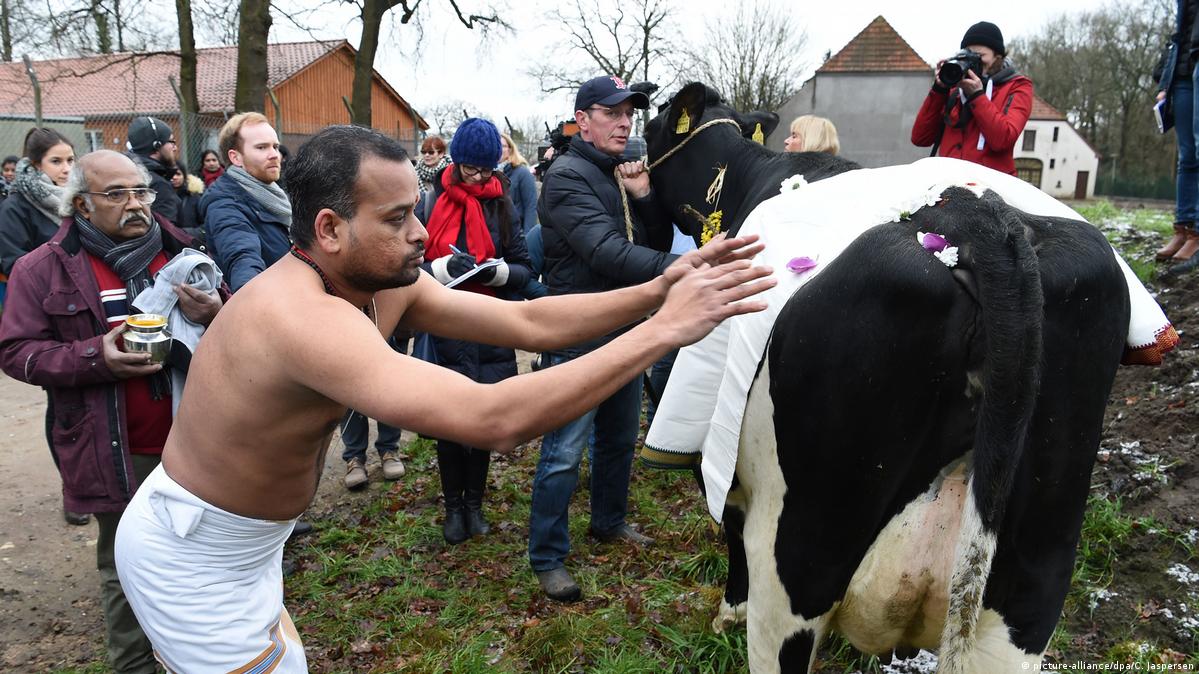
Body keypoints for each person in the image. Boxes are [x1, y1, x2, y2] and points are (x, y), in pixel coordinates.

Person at [112, 124, 773, 673]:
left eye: (416, 210)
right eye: (397, 218)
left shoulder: (380, 282)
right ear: (330, 228)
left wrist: (659, 288)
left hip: (251, 542)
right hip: (193, 552)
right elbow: (495, 419)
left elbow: (528, 322)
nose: (421, 234)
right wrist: (664, 331)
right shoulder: (300, 318)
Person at [0, 150, 223, 674]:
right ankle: (134, 664)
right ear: (80, 204)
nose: (136, 205)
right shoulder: (42, 268)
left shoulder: (183, 253)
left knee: (199, 559)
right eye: (116, 194)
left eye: (141, 192)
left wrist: (217, 312)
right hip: (111, 445)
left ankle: (197, 657)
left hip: (196, 438)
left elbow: (238, 329)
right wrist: (95, 356)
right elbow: (15, 351)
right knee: (125, 563)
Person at [529, 75, 681, 602]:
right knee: (565, 449)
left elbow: (649, 241)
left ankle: (608, 522)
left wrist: (644, 196)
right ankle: (547, 556)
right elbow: (607, 252)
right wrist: (685, 269)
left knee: (618, 437)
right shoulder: (568, 176)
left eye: (630, 114)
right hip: (579, 329)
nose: (624, 122)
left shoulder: (617, 173)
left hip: (623, 325)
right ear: (584, 119)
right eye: (612, 112)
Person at [419, 118, 534, 544]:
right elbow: (406, 266)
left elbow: (525, 265)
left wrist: (503, 273)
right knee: (451, 423)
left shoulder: (501, 203)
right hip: (445, 324)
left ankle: (474, 506)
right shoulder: (431, 200)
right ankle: (453, 508)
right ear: (457, 161)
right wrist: (438, 268)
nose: (481, 177)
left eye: (487, 169)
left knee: (483, 421)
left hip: (490, 325)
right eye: (472, 169)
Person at [0, 129, 86, 525]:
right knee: (64, 404)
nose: (66, 169)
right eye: (56, 161)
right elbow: (10, 258)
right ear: (35, 165)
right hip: (49, 314)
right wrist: (49, 274)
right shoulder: (17, 207)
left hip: (85, 308)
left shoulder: (75, 201)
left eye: (70, 160)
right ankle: (76, 490)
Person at [910, 21, 1033, 176]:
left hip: (992, 189)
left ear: (998, 57)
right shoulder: (955, 88)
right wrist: (939, 89)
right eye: (968, 55)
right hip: (949, 184)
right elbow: (920, 138)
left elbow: (1003, 140)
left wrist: (976, 96)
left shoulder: (1018, 86)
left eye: (980, 56)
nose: (974, 62)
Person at [200, 112, 289, 292]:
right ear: (236, 158)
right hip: (267, 307)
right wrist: (251, 298)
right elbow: (242, 255)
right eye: (262, 147)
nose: (274, 155)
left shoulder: (274, 195)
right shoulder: (224, 205)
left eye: (275, 146)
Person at [1155, 0, 1199, 271]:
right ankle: (1183, 229)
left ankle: (1197, 234)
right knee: (1187, 156)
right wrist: (1165, 83)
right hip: (1182, 72)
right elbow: (1179, 33)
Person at [126, 116, 181, 224]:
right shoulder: (158, 185)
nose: (175, 148)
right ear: (157, 145)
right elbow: (168, 233)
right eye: (171, 142)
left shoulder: (128, 175)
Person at [170, 163, 204, 239]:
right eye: (171, 174)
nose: (174, 177)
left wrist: (185, 232)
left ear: (184, 176)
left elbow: (205, 225)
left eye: (178, 174)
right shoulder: (162, 197)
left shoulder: (194, 197)